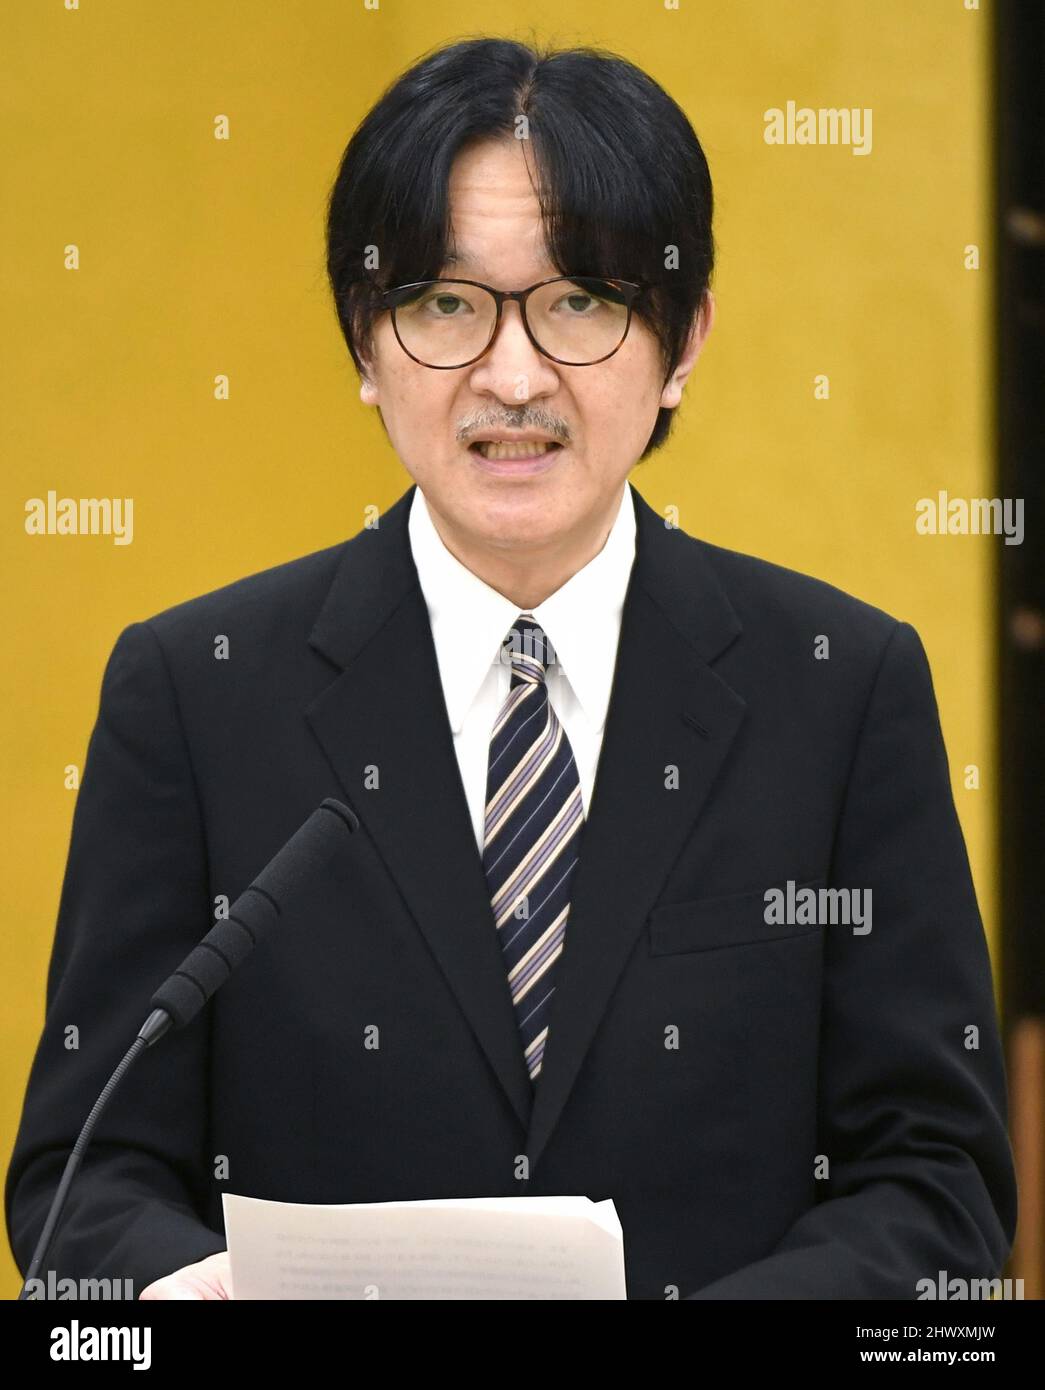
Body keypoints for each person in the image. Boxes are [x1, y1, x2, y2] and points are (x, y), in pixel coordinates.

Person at [6, 36, 1017, 1301]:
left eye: (582, 301)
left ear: (685, 338)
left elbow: (938, 1180)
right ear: (364, 347)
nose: (514, 374)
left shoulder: (843, 686)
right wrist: (182, 1290)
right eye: (444, 304)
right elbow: (82, 1175)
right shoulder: (195, 692)